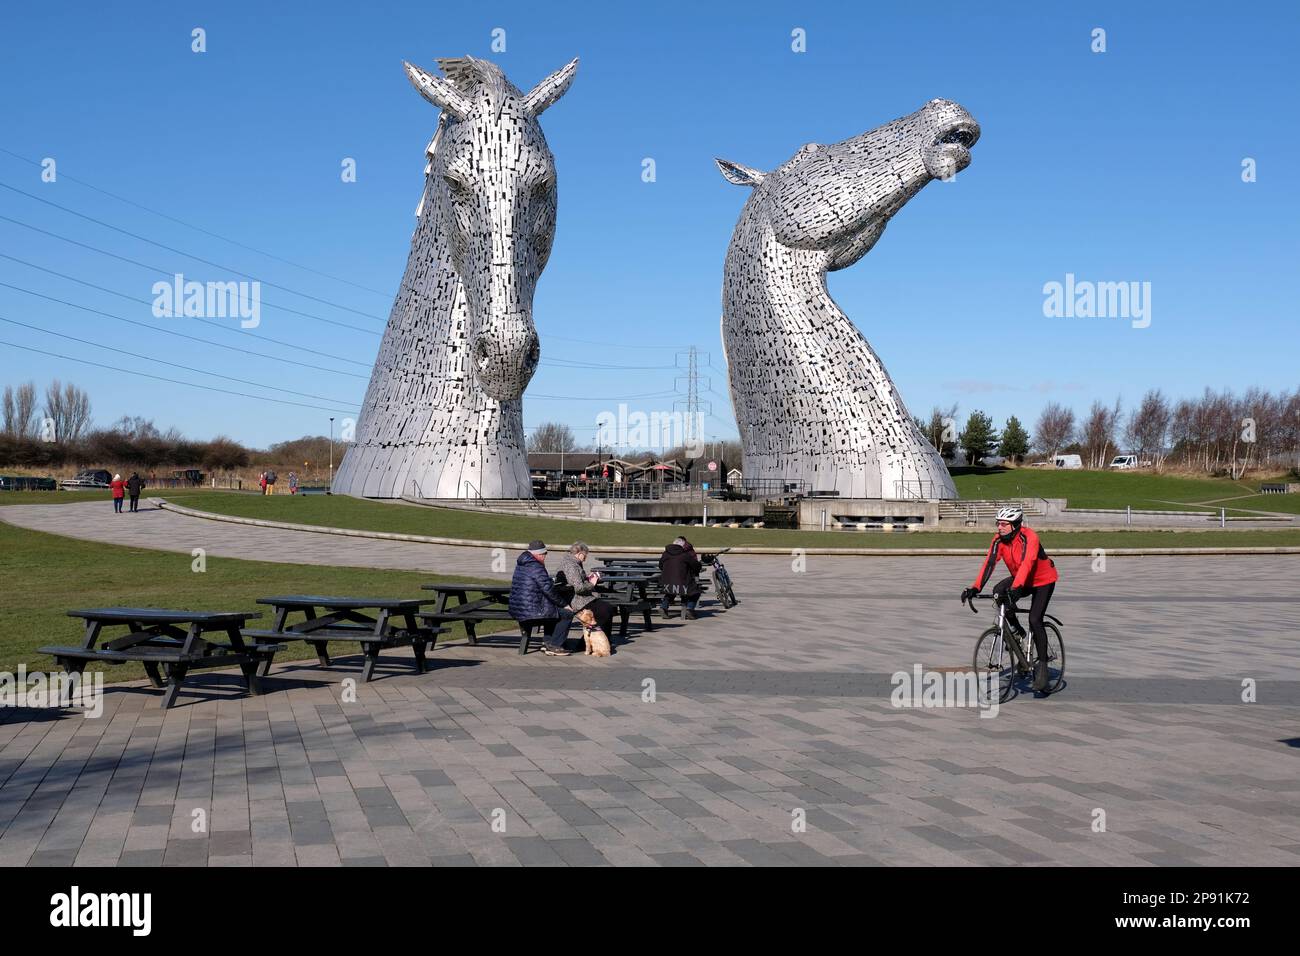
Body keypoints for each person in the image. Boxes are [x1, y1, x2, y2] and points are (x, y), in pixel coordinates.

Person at [960, 506, 1059, 696]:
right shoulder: (998, 541)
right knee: (998, 592)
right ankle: (1017, 632)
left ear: (1015, 525)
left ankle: (1043, 666)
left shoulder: (1029, 537)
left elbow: (1027, 563)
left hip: (1043, 580)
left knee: (1034, 619)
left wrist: (1016, 589)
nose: (999, 527)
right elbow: (989, 564)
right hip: (1021, 579)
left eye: (1004, 524)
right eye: (998, 523)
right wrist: (975, 588)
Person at [508, 540, 574, 657]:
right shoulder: (536, 566)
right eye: (544, 554)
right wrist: (564, 604)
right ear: (538, 554)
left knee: (552, 610)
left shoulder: (523, 563)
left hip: (520, 608)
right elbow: (548, 590)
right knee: (567, 614)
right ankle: (555, 645)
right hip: (530, 611)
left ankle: (547, 643)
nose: (545, 556)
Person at [556, 541, 616, 643]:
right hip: (577, 600)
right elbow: (579, 588)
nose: (585, 558)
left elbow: (576, 581)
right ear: (579, 554)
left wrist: (587, 578)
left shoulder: (570, 562)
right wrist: (592, 583)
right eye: (585, 555)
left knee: (608, 609)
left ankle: (598, 641)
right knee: (606, 610)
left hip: (578, 597)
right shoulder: (572, 566)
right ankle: (590, 642)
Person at [658, 535, 702, 619]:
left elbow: (660, 566)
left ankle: (663, 607)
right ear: (682, 546)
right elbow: (696, 566)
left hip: (666, 583)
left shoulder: (665, 554)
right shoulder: (685, 555)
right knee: (696, 592)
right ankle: (690, 608)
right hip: (683, 583)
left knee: (671, 591)